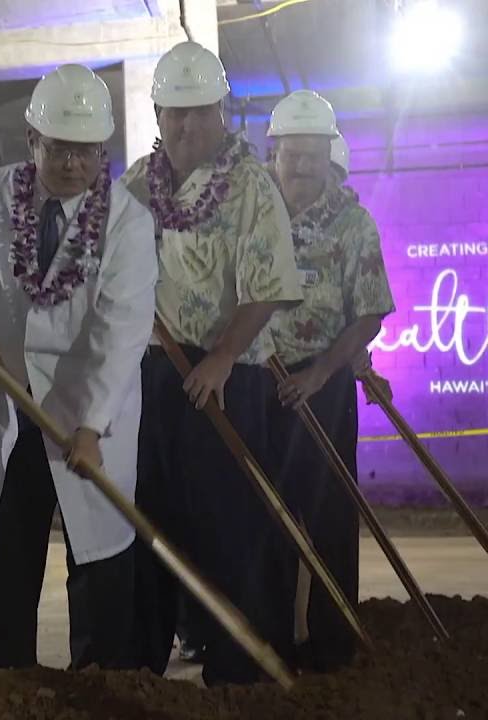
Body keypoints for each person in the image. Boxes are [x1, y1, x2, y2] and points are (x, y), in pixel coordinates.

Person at [0, 65, 156, 671]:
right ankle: (6, 689)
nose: (72, 165)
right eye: (58, 149)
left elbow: (121, 331)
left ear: (100, 151)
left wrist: (91, 422)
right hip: (12, 409)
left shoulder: (127, 223)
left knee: (100, 566)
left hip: (88, 416)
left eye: (85, 152)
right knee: (7, 563)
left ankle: (101, 689)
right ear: (33, 139)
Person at [118, 41, 303, 686]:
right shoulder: (138, 184)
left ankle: (236, 670)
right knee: (151, 522)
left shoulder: (251, 185)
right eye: (175, 113)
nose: (187, 126)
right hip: (154, 374)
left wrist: (223, 356)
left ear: (222, 113)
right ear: (158, 114)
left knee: (229, 525)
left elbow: (271, 283)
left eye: (200, 112)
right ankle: (140, 665)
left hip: (228, 375)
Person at [266, 90, 395, 671]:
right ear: (274, 152)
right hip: (257, 384)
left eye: (313, 152)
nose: (302, 164)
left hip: (326, 386)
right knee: (261, 514)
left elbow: (368, 311)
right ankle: (265, 641)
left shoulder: (353, 222)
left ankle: (331, 645)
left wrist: (320, 374)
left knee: (329, 517)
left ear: (329, 153)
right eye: (292, 152)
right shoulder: (253, 212)